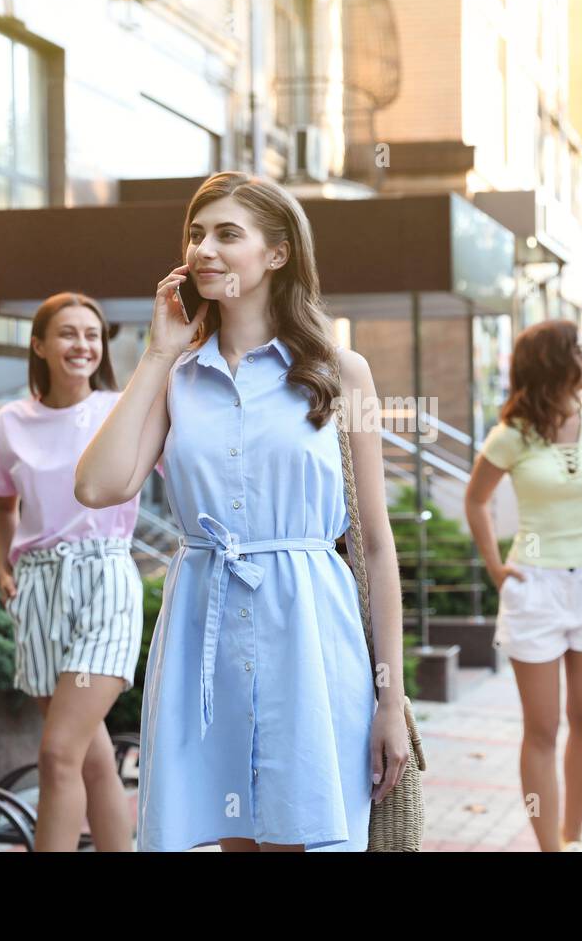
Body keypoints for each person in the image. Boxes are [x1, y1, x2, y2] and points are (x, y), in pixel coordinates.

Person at [75, 171, 410, 852]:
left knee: (303, 833)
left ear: (277, 254)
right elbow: (97, 486)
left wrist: (390, 700)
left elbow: (375, 543)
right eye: (196, 234)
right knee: (234, 838)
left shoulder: (345, 374)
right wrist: (159, 352)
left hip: (311, 632)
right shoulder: (177, 375)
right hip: (208, 626)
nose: (205, 249)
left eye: (229, 234)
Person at [465, 320, 582, 851]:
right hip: (534, 587)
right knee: (541, 730)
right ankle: (549, 848)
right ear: (554, 363)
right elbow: (477, 500)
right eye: (580, 351)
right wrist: (496, 567)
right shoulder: (512, 435)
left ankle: (574, 836)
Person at [0, 291, 150, 851]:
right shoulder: (10, 421)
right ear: (39, 344)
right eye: (68, 333)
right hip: (38, 593)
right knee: (91, 759)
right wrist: (4, 570)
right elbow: (2, 508)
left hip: (104, 582)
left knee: (56, 755)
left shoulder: (119, 409)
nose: (82, 345)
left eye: (92, 335)